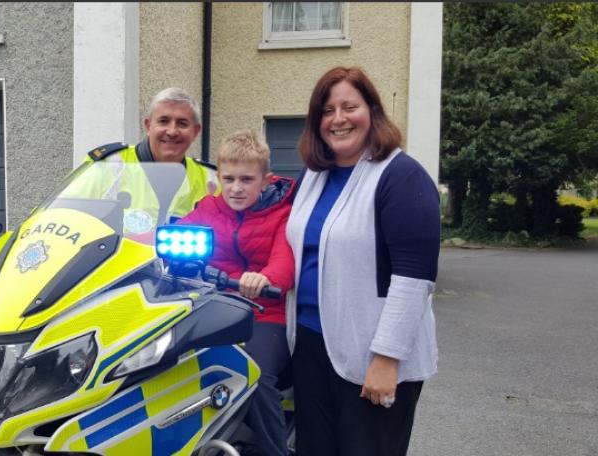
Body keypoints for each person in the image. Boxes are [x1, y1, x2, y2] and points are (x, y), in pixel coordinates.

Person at [285, 66, 440, 456]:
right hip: (311, 343)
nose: (338, 119)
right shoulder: (313, 178)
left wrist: (387, 358)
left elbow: (414, 277)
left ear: (372, 111)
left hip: (372, 351)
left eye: (349, 106)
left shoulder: (401, 177)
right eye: (327, 110)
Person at [178, 130, 295, 456]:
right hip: (211, 308)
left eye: (247, 179)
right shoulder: (208, 210)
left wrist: (264, 278)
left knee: (253, 373)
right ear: (218, 178)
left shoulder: (282, 215)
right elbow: (171, 238)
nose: (236, 188)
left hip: (266, 312)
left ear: (265, 180)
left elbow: (284, 265)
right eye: (228, 179)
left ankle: (275, 451)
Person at [79, 87, 218, 228]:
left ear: (195, 131)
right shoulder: (108, 164)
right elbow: (65, 214)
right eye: (164, 121)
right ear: (148, 125)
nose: (172, 131)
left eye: (182, 123)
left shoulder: (212, 179)